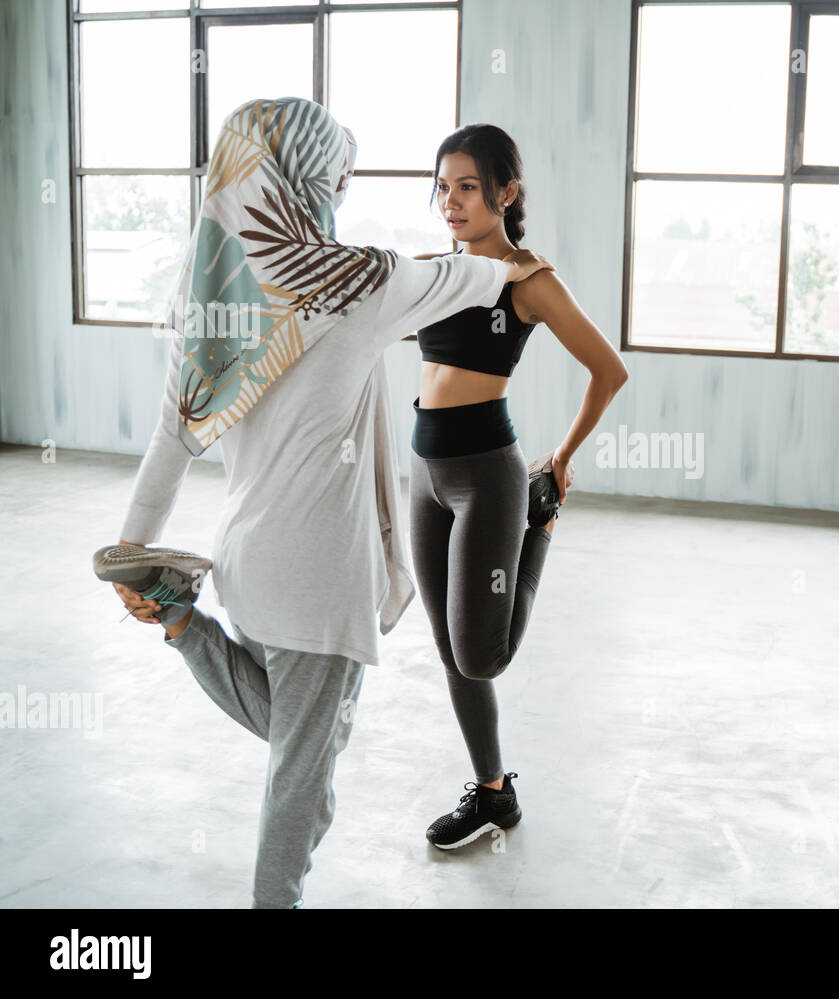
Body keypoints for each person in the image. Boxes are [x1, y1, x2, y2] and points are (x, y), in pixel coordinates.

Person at [94, 98, 552, 908]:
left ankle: (180, 617)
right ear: (305, 181)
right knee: (301, 773)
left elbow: (172, 438)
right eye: (335, 178)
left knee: (305, 733)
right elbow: (459, 275)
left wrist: (132, 550)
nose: (338, 195)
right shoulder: (355, 283)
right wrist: (510, 266)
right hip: (319, 572)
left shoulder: (209, 305)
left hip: (246, 561)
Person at [408, 124, 628, 849]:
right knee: (449, 648)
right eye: (443, 187)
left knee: (482, 656)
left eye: (467, 187)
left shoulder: (529, 280)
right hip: (425, 472)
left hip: (487, 478)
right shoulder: (437, 272)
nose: (451, 201)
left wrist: (560, 459)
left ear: (505, 191)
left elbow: (609, 371)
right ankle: (493, 793)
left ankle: (541, 528)